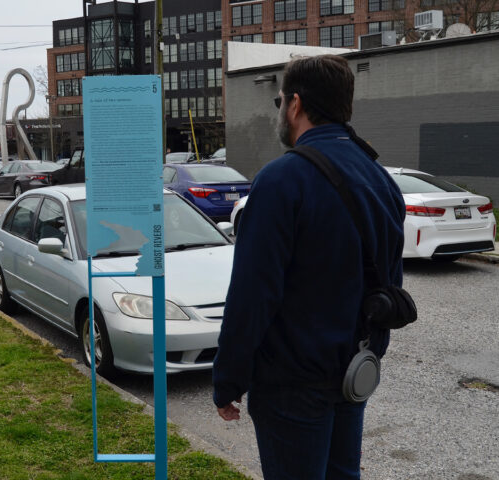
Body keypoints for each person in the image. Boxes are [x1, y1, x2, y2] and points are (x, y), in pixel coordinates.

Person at [212, 55, 405, 479]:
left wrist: (229, 379)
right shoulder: (380, 178)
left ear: (295, 105)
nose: (280, 111)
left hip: (292, 386)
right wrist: (369, 353)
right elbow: (391, 284)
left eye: (280, 101)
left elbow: (253, 293)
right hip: (354, 375)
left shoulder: (282, 180)